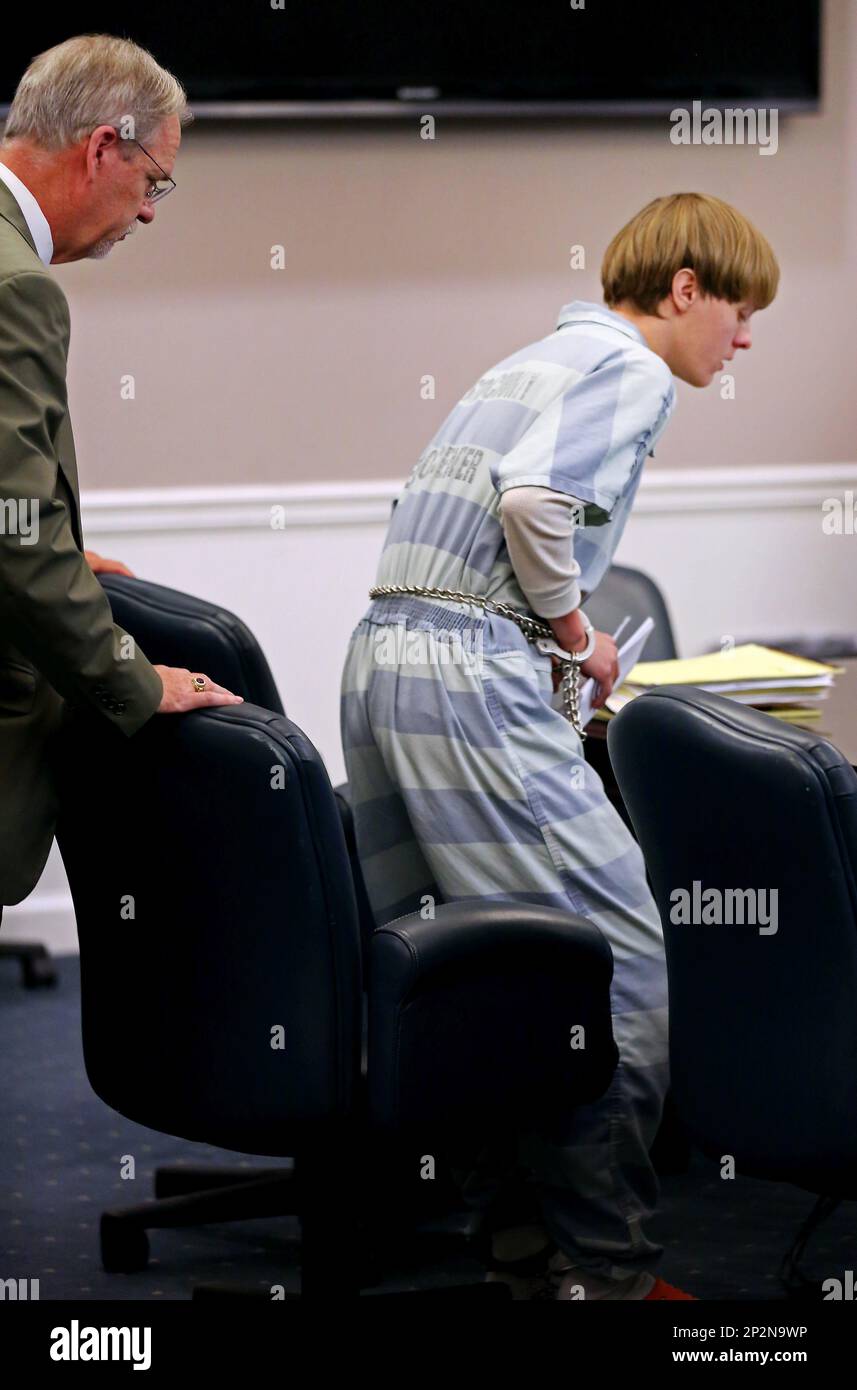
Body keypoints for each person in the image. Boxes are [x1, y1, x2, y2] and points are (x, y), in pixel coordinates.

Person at [341, 192, 779, 1300]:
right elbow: (535, 505)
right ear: (684, 289)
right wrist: (577, 636)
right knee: (611, 963)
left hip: (385, 670)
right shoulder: (627, 370)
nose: (743, 337)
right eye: (736, 309)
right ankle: (609, 1272)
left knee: (494, 971)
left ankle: (522, 1247)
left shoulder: (532, 359)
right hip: (464, 686)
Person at [0, 35, 243, 916]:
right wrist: (137, 682)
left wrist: (54, 542)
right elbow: (10, 533)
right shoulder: (17, 288)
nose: (147, 213)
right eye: (153, 182)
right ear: (102, 146)